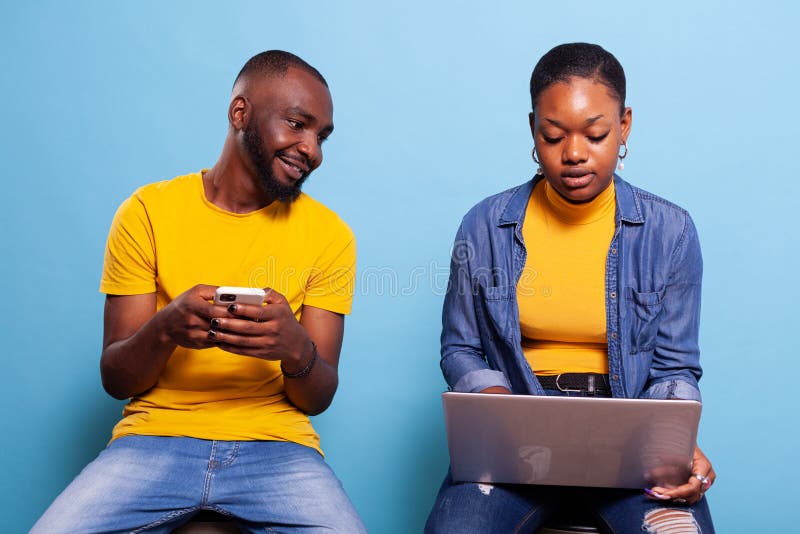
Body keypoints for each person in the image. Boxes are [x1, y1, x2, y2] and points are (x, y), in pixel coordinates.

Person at [32, 50, 366, 533]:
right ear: (240, 113)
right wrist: (165, 329)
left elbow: (317, 397)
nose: (311, 149)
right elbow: (116, 378)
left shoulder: (331, 236)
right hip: (155, 437)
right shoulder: (147, 211)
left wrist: (295, 349)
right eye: (297, 124)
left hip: (276, 447)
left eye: (321, 136)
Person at [425, 43, 716, 533]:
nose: (575, 153)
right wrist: (499, 406)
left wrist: (673, 440)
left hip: (630, 447)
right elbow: (461, 347)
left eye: (596, 134)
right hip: (513, 439)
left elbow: (674, 367)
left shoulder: (672, 233)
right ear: (533, 129)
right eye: (553, 135)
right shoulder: (483, 227)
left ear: (623, 126)